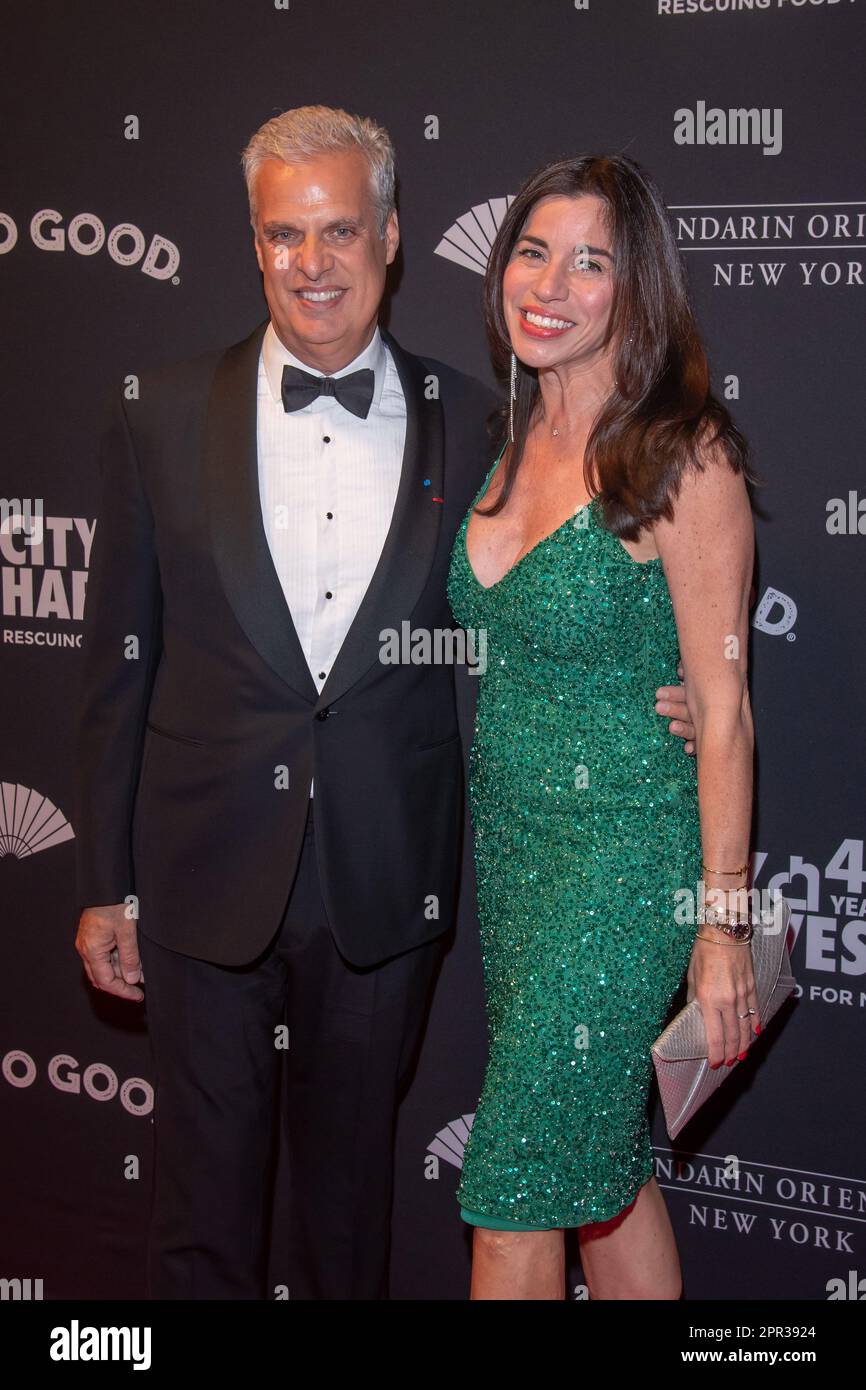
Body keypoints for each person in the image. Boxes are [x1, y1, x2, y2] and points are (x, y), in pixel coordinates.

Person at [72, 109, 697, 1301]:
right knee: (199, 1213)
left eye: (341, 229)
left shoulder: (485, 424)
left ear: (394, 237)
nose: (313, 262)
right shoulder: (156, 409)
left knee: (348, 1216)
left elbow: (579, 582)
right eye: (283, 234)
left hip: (382, 879)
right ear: (253, 247)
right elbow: (116, 660)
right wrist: (105, 878)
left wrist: (668, 689)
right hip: (199, 876)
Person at [447, 153, 759, 1300]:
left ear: (637, 293)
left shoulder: (683, 451)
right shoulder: (507, 435)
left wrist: (717, 924)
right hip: (521, 860)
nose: (550, 283)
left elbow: (722, 708)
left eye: (591, 263)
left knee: (512, 1188)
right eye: (532, 251)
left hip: (627, 863)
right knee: (600, 1175)